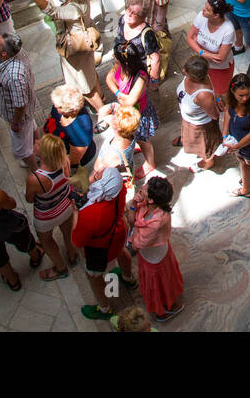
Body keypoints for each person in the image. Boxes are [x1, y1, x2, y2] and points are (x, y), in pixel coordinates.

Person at [20, 0, 105, 115]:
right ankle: (101, 96)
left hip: (76, 50)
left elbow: (51, 11)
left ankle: (101, 110)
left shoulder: (72, 9)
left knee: (83, 86)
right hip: (85, 46)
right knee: (90, 75)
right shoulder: (82, 1)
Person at [71, 166, 137, 321]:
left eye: (99, 174)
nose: (97, 172)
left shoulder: (90, 213)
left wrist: (75, 214)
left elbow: (77, 241)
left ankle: (105, 308)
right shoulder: (118, 190)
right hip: (119, 232)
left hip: (99, 248)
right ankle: (129, 279)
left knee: (94, 276)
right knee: (121, 252)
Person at [126, 176, 185, 321]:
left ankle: (166, 309)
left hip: (155, 259)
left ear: (151, 200)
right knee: (166, 282)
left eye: (146, 187)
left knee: (159, 286)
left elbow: (137, 242)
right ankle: (169, 301)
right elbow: (133, 221)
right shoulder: (153, 203)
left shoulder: (156, 223)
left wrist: (131, 238)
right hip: (153, 253)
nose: (143, 186)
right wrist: (134, 203)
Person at [24, 134, 77, 281]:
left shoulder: (36, 179)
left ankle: (60, 268)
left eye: (39, 143)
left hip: (46, 216)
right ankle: (73, 256)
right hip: (66, 205)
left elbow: (29, 199)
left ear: (45, 155)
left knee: (46, 240)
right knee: (67, 233)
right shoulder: (65, 160)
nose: (36, 141)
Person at [103, 46, 156, 177]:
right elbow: (108, 79)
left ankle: (150, 163)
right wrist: (120, 93)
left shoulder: (141, 77)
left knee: (144, 140)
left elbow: (129, 102)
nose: (114, 58)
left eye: (116, 57)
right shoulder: (119, 66)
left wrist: (121, 97)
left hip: (139, 115)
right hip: (128, 113)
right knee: (136, 137)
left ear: (125, 61)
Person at [0, 33, 40, 172]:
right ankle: (39, 153)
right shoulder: (15, 53)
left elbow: (20, 105)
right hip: (28, 111)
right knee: (32, 128)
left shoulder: (14, 76)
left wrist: (15, 122)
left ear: (4, 54)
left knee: (22, 151)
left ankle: (36, 172)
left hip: (21, 117)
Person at [186, 0, 236, 103]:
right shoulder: (201, 16)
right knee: (207, 86)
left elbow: (220, 58)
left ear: (216, 15)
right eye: (205, 7)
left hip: (220, 68)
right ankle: (215, 98)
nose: (203, 10)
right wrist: (204, 53)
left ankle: (221, 101)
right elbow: (190, 38)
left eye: (207, 10)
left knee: (221, 89)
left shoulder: (228, 30)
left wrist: (197, 46)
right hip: (203, 63)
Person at [222, 72, 250, 198]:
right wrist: (225, 135)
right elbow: (227, 113)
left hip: (248, 142)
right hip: (236, 138)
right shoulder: (230, 100)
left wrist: (237, 147)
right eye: (241, 95)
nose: (245, 98)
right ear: (232, 91)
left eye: (248, 94)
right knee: (249, 161)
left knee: (245, 163)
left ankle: (246, 189)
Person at [176, 56, 222, 172]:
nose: (183, 71)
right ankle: (186, 140)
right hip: (188, 120)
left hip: (201, 126)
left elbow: (215, 115)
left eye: (186, 71)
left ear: (196, 77)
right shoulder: (190, 75)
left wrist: (215, 101)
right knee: (189, 136)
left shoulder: (203, 95)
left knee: (205, 147)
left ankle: (207, 162)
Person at [44, 85, 97, 175]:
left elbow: (74, 158)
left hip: (69, 158)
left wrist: (63, 169)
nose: (55, 106)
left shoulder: (82, 128)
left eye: (59, 106)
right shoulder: (58, 106)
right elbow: (51, 117)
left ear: (71, 110)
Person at [113, 0, 162, 93]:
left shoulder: (147, 34)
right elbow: (118, 37)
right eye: (128, 10)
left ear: (142, 17)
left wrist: (154, 80)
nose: (129, 14)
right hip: (124, 65)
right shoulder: (123, 20)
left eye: (134, 13)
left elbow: (155, 58)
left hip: (139, 71)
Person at [93, 103, 142, 184]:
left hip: (108, 177)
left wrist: (91, 181)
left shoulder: (113, 156)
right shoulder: (129, 132)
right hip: (125, 164)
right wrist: (113, 105)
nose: (112, 115)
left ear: (117, 127)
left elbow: (98, 176)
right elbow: (102, 112)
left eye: (114, 116)